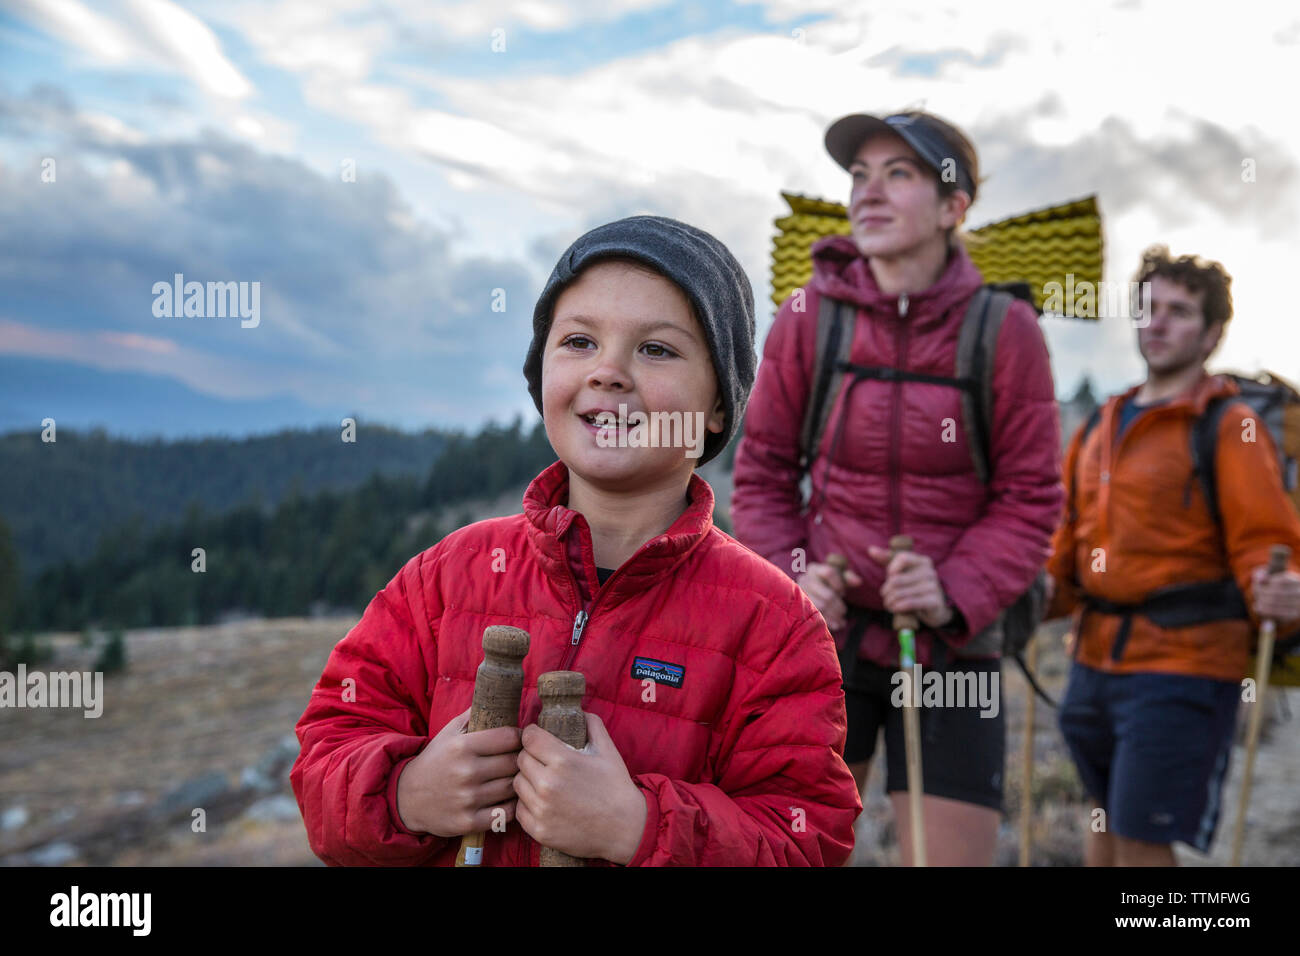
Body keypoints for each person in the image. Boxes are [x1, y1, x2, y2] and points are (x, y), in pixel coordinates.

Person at [290, 215, 862, 866]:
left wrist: (640, 827)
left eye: (657, 349)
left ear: (717, 408)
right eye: (580, 341)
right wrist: (404, 793)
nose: (609, 372)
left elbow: (803, 841)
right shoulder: (443, 579)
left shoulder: (776, 628)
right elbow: (325, 760)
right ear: (542, 377)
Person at [731, 111, 1062, 865]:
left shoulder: (1004, 330)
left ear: (954, 207)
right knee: (791, 852)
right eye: (858, 176)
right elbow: (766, 471)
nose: (867, 193)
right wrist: (793, 579)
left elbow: (1031, 495)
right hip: (825, 635)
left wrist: (953, 589)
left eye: (899, 174)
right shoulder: (808, 318)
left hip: (951, 647)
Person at [1046, 245, 1300, 866]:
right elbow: (1067, 548)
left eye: (1179, 312)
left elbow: (1265, 545)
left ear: (1213, 333)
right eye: (1149, 307)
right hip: (1093, 658)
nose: (1157, 322)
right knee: (1101, 822)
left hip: (1183, 665)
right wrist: (1024, 602)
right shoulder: (1101, 424)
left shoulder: (1231, 426)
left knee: (1142, 834)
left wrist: (1285, 591)